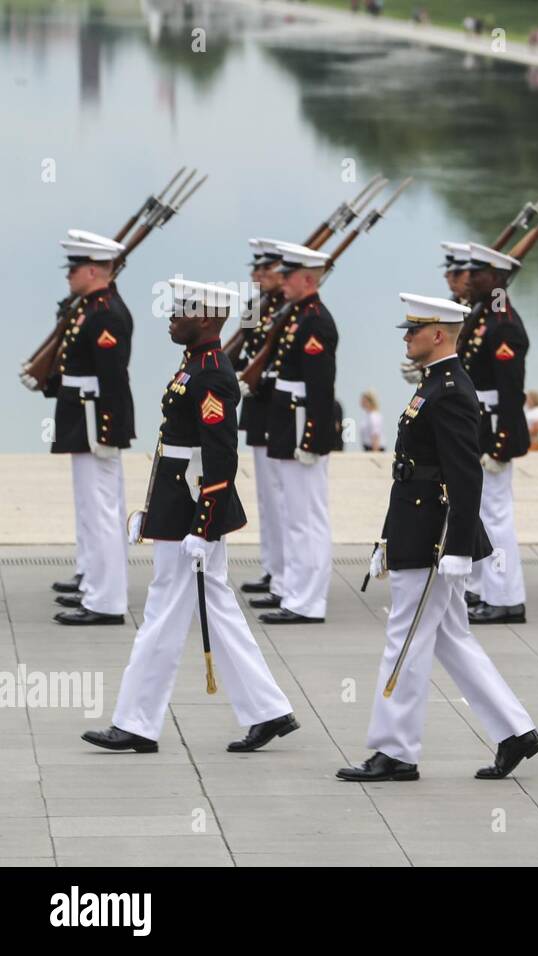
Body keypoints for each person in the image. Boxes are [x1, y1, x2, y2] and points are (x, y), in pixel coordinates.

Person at [83, 279, 297, 754]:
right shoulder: (195, 366)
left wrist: (203, 528)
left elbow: (220, 459)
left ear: (206, 320)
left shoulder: (213, 375)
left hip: (192, 514)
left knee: (162, 612)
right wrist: (150, 508)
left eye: (180, 312)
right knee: (215, 607)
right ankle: (269, 711)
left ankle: (136, 722)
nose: (171, 317)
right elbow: (173, 450)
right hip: (177, 504)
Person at [338, 293, 538, 783]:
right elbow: (409, 469)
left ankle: (396, 751)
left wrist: (454, 549)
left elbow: (464, 475)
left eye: (413, 330)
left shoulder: (450, 389)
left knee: (405, 638)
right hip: (416, 523)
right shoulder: (434, 384)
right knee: (451, 637)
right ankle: (516, 732)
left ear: (437, 335)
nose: (406, 337)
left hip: (433, 535)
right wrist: (386, 539)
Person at [43, 230, 133, 626]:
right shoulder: (91, 308)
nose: (68, 275)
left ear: (94, 270)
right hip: (83, 416)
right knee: (91, 508)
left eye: (75, 268)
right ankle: (95, 584)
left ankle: (107, 601)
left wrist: (107, 433)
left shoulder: (107, 314)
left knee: (102, 511)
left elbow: (112, 380)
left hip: (96, 420)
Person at [258, 241, 338, 625]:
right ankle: (294, 592)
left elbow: (320, 388)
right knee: (294, 515)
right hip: (287, 421)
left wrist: (312, 439)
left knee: (307, 516)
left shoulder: (316, 321)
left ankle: (308, 601)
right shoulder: (296, 315)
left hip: (301, 424)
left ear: (307, 278)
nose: (281, 280)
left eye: (288, 275)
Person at [459, 243, 530, 625]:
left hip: (492, 429)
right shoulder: (486, 316)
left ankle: (506, 598)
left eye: (478, 273)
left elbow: (510, 392)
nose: (469, 279)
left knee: (497, 515)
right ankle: (488, 590)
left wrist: (501, 442)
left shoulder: (503, 324)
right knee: (483, 513)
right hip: (479, 425)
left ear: (498, 279)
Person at [235, 239, 287, 603]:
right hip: (257, 408)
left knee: (280, 497)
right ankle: (272, 566)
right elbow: (243, 347)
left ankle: (285, 572)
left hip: (277, 408)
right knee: (267, 499)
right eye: (255, 269)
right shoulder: (257, 305)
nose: (256, 275)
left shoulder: (290, 310)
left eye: (264, 269)